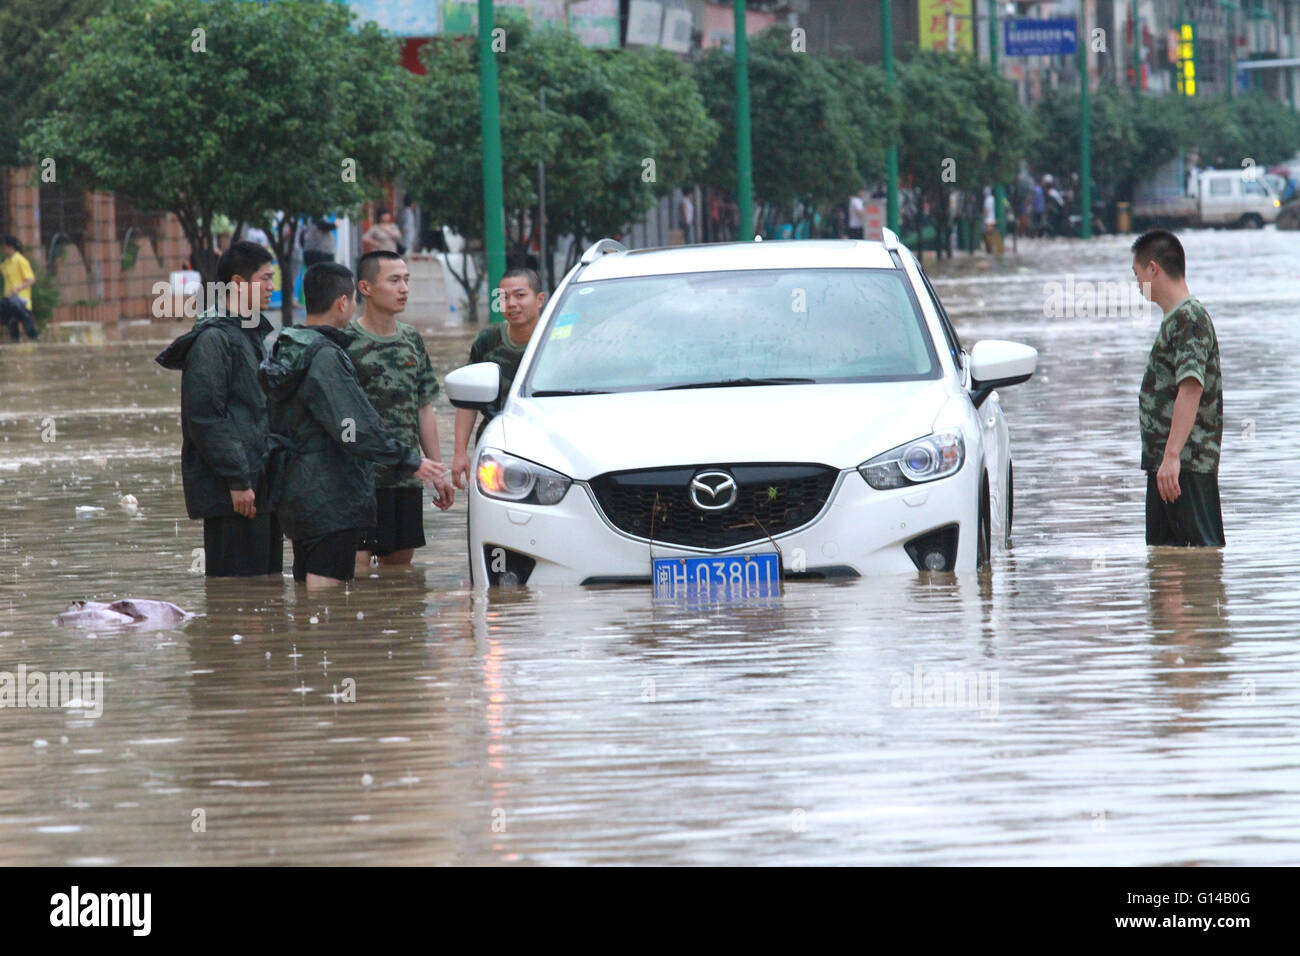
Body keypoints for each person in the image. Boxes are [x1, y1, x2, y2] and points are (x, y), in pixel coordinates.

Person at [260, 263, 445, 588]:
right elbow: (354, 426)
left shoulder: (288, 346)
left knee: (308, 590)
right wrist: (410, 460)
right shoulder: (325, 356)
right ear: (343, 302)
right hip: (329, 495)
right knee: (327, 597)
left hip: (295, 491)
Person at [155, 241, 282, 576]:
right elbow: (205, 417)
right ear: (239, 283)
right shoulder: (214, 339)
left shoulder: (251, 333)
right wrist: (237, 479)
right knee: (239, 602)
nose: (272, 287)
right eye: (266, 278)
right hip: (235, 494)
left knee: (266, 596)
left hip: (260, 486)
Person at [345, 250, 454, 571]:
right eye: (394, 280)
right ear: (365, 288)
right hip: (359, 480)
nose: (404, 288)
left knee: (399, 574)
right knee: (356, 569)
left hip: (405, 478)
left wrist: (437, 471)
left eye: (406, 280)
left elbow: (424, 409)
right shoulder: (344, 342)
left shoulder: (412, 340)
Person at [1132, 229, 1224, 548]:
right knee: (1167, 567)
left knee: (1197, 565)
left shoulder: (1189, 319)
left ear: (1153, 269)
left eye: (1137, 274)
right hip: (1168, 470)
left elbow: (1191, 388)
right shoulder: (1175, 320)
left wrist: (1172, 456)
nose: (1137, 284)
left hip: (1186, 468)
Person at [451, 268, 548, 490]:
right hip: (496, 446)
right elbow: (468, 400)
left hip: (545, 444)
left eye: (520, 295)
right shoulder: (487, 341)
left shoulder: (557, 341)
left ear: (540, 299)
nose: (511, 303)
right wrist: (459, 453)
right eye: (504, 297)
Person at [1, 235, 39, 340]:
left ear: (10, 247)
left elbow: (31, 279)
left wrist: (18, 288)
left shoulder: (20, 260)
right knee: (13, 330)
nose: (2, 250)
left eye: (4, 247)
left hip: (21, 301)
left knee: (30, 331)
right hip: (9, 301)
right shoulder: (6, 263)